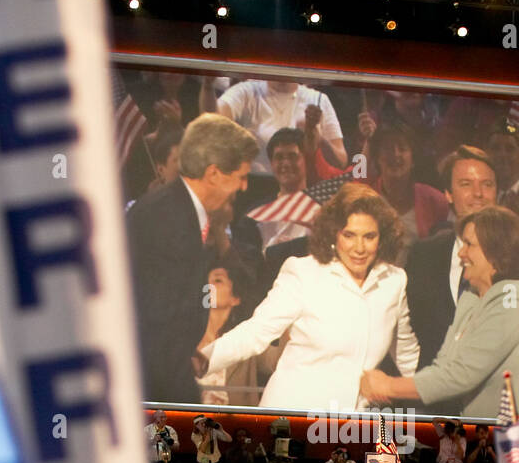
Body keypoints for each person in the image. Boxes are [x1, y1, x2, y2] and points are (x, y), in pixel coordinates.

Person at [195, 183, 419, 412]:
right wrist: (200, 361)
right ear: (333, 234)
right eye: (349, 235)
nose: (359, 248)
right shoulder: (303, 273)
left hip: (349, 427)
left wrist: (443, 395)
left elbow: (408, 357)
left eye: (369, 236)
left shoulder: (394, 281)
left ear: (382, 238)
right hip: (291, 419)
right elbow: (255, 332)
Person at [126, 113, 259, 404]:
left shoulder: (179, 209)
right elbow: (158, 324)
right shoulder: (168, 218)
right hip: (155, 387)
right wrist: (185, 403)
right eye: (241, 176)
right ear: (213, 174)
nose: (244, 187)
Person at [362, 206, 519, 418]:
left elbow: (461, 374)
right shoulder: (472, 297)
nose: (461, 253)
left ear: (496, 251)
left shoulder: (513, 297)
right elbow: (445, 364)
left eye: (469, 245)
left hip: (512, 440)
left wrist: (389, 386)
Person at [403, 146, 498, 371]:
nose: (478, 194)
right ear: (448, 193)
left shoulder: (517, 257)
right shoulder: (423, 255)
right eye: (466, 184)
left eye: (487, 184)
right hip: (433, 395)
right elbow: (411, 329)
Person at [217, 79, 347, 177]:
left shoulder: (318, 99)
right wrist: (207, 88)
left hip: (300, 187)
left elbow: (341, 161)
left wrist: (318, 138)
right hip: (254, 184)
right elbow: (214, 118)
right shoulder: (247, 90)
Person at [364, 123, 449, 248]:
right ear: (377, 158)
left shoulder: (436, 201)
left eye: (402, 148)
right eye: (388, 149)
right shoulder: (365, 200)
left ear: (413, 159)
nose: (396, 154)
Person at [195, 263, 270, 406]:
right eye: (205, 281)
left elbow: (274, 361)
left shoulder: (245, 340)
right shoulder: (183, 341)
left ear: (235, 299)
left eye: (217, 280)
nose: (207, 286)